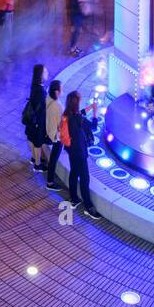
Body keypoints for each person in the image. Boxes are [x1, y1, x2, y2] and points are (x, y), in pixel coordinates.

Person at [63, 90, 102, 218]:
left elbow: (79, 115)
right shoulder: (80, 119)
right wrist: (95, 112)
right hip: (80, 151)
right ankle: (88, 207)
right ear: (77, 104)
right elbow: (94, 126)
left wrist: (90, 107)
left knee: (74, 172)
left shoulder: (67, 114)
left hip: (71, 149)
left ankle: (73, 198)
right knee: (85, 178)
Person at [23, 63, 48, 171]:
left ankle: (33, 158)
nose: (47, 73)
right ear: (41, 75)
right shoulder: (41, 91)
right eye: (45, 72)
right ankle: (38, 165)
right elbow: (41, 108)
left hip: (31, 119)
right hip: (37, 121)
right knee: (37, 142)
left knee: (31, 138)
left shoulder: (34, 86)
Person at [45, 79, 64, 189]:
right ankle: (50, 182)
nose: (62, 91)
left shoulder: (48, 99)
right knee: (53, 159)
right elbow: (60, 124)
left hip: (47, 131)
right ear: (57, 92)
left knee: (53, 158)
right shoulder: (57, 106)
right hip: (55, 136)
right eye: (61, 89)